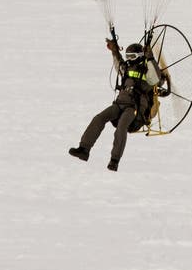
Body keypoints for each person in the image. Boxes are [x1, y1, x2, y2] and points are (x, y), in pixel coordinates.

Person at [69, 37, 163, 171]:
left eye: (132, 56)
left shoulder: (148, 71)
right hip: (119, 104)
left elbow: (156, 78)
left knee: (121, 126)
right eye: (127, 56)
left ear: (139, 56)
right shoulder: (127, 68)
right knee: (99, 118)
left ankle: (114, 161)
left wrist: (150, 58)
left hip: (134, 108)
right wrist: (114, 50)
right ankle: (84, 149)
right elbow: (118, 63)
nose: (129, 59)